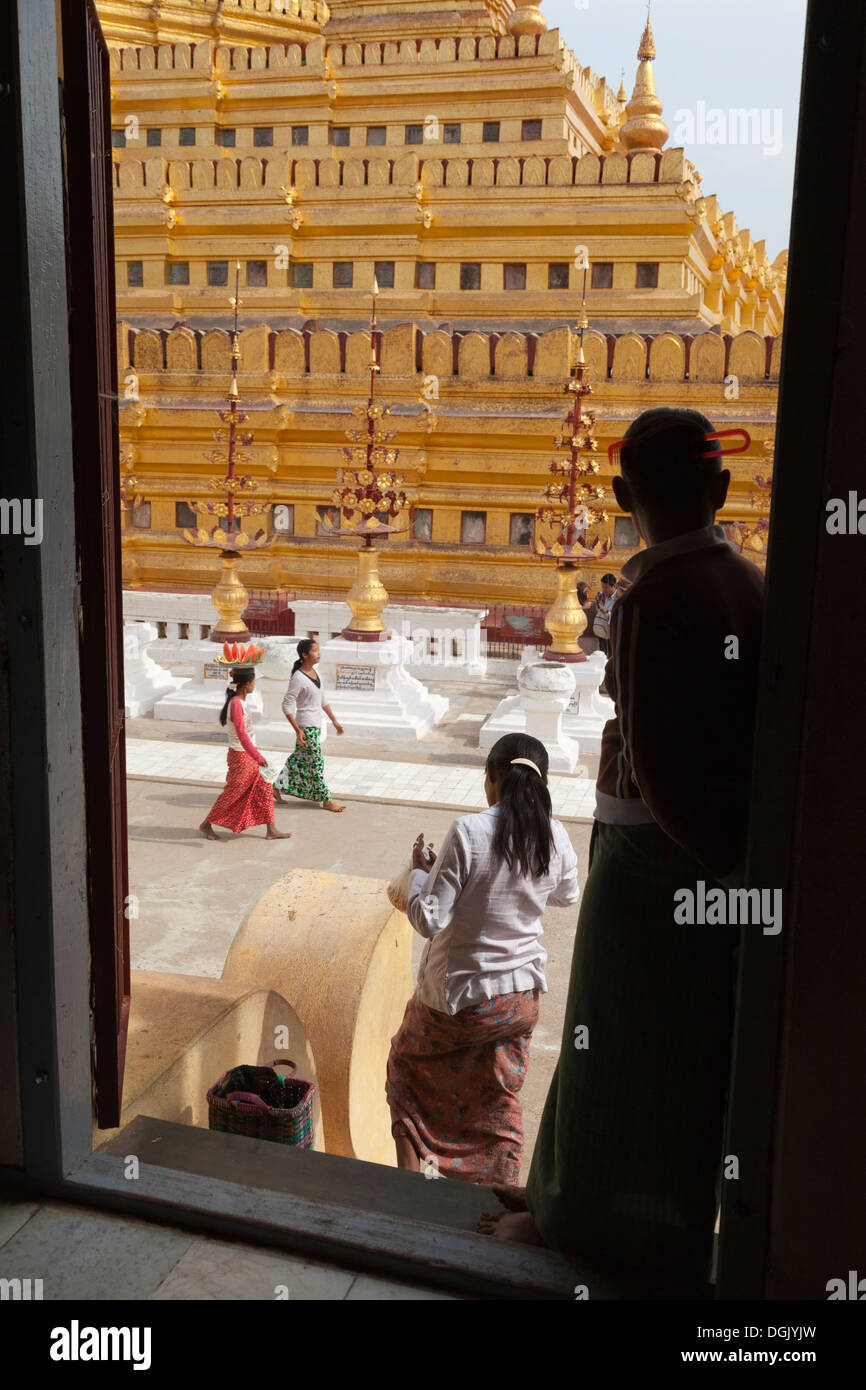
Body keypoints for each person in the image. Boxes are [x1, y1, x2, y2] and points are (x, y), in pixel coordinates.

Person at [479, 407, 764, 1285]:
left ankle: (589, 1229)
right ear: (720, 489)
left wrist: (717, 868)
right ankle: (568, 1196)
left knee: (617, 1046)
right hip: (706, 856)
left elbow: (658, 764)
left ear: (618, 496)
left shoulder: (652, 597)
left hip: (656, 859)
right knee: (666, 1053)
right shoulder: (747, 583)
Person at [386, 733, 580, 1186]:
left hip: (462, 1003)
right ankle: (498, 1194)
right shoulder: (554, 833)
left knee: (405, 1071)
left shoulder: (469, 830)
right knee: (496, 1098)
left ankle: (410, 1188)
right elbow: (567, 893)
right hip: (519, 1002)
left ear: (491, 776)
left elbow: (430, 919)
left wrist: (419, 872)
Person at [199, 666, 290, 841]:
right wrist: (258, 757)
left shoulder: (241, 702)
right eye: (253, 681)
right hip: (241, 757)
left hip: (249, 755)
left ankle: (271, 829)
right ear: (247, 684)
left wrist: (256, 755)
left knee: (264, 789)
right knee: (232, 793)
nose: (254, 684)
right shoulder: (235, 704)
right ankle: (206, 824)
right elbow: (241, 734)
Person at [274, 639, 346, 813]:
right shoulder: (298, 677)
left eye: (318, 649)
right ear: (304, 655)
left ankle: (275, 787)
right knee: (316, 763)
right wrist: (298, 730)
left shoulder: (317, 673)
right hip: (305, 727)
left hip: (316, 725)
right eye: (314, 650)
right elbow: (286, 704)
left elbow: (322, 700)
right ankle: (326, 800)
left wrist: (334, 720)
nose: (318, 653)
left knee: (298, 760)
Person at [592, 573, 618, 656]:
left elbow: (618, 613)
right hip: (601, 626)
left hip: (612, 627)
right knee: (602, 651)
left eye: (606, 587)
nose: (603, 589)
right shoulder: (601, 595)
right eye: (602, 587)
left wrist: (606, 611)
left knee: (612, 651)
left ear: (614, 586)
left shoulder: (619, 596)